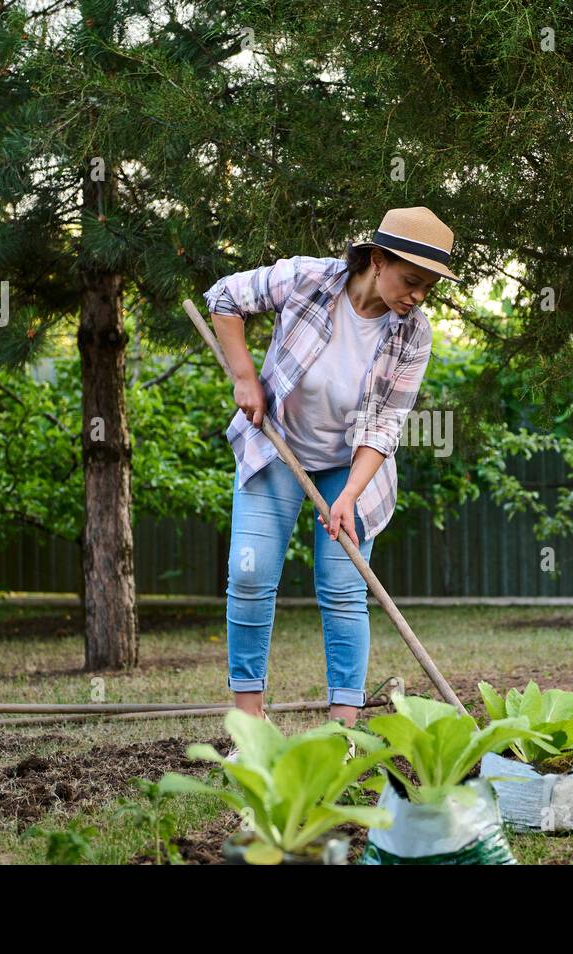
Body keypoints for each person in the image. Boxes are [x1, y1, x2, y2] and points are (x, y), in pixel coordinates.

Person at [203, 206, 460, 735]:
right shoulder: (308, 279)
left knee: (343, 587)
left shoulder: (414, 335)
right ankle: (248, 728)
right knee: (249, 575)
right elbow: (224, 298)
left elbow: (385, 427)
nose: (417, 296)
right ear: (377, 259)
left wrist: (349, 498)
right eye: (411, 281)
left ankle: (342, 732)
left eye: (428, 288)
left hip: (351, 465)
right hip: (276, 447)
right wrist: (244, 376)